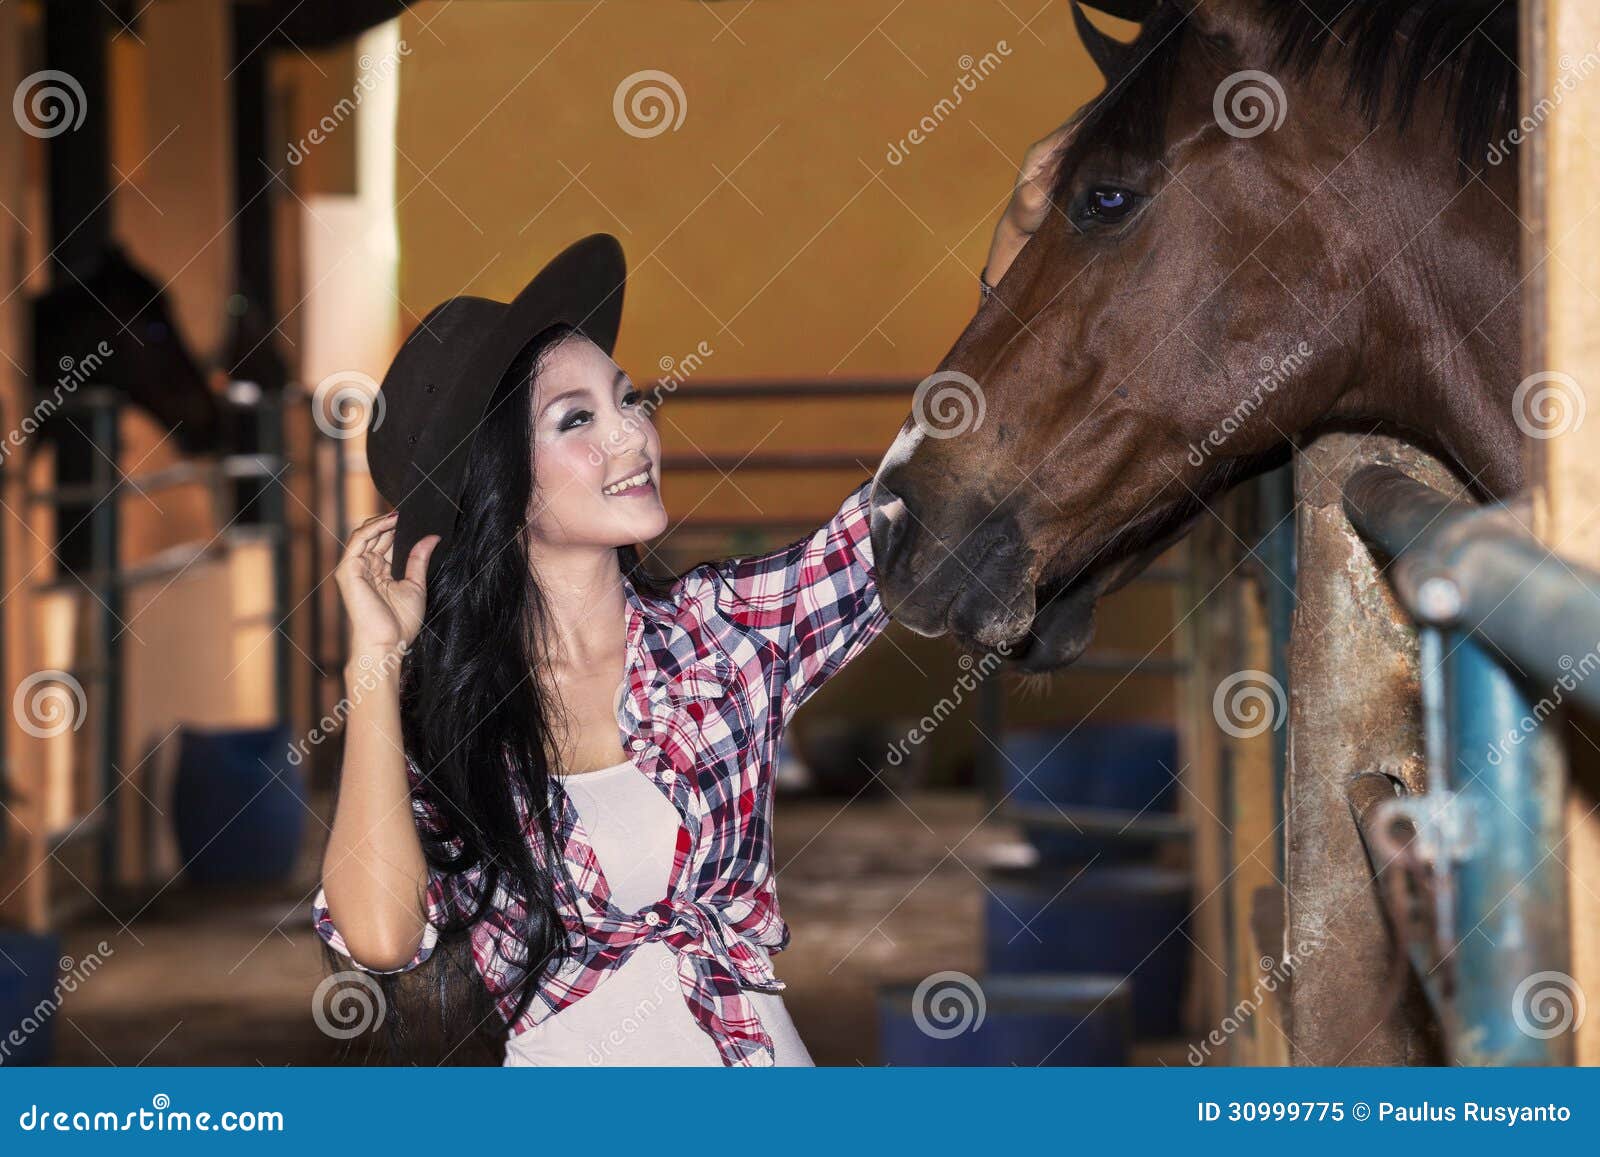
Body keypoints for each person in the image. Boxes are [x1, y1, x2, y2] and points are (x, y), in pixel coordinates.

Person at [311, 127, 1070, 1067]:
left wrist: (1020, 239)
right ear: (497, 487)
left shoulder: (725, 635)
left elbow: (914, 507)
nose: (634, 435)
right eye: (578, 418)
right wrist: (376, 666)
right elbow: (382, 938)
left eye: (630, 399)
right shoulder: (448, 721)